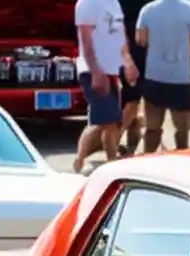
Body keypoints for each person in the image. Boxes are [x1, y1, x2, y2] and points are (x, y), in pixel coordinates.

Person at [136, 0, 190, 153]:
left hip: (155, 74)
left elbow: (141, 40)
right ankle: (180, 158)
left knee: (152, 127)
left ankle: (147, 159)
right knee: (182, 128)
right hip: (180, 77)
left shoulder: (148, 9)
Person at [72, 0, 140, 174]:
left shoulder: (114, 3)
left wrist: (128, 62)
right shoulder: (85, 4)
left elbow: (120, 34)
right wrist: (96, 72)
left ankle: (112, 163)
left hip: (113, 70)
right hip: (92, 70)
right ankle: (79, 161)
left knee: (112, 122)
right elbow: (86, 41)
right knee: (102, 121)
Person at [119, 0, 150, 156]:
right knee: (132, 101)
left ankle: (130, 146)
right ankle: (114, 140)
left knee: (133, 101)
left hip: (130, 53)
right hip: (133, 54)